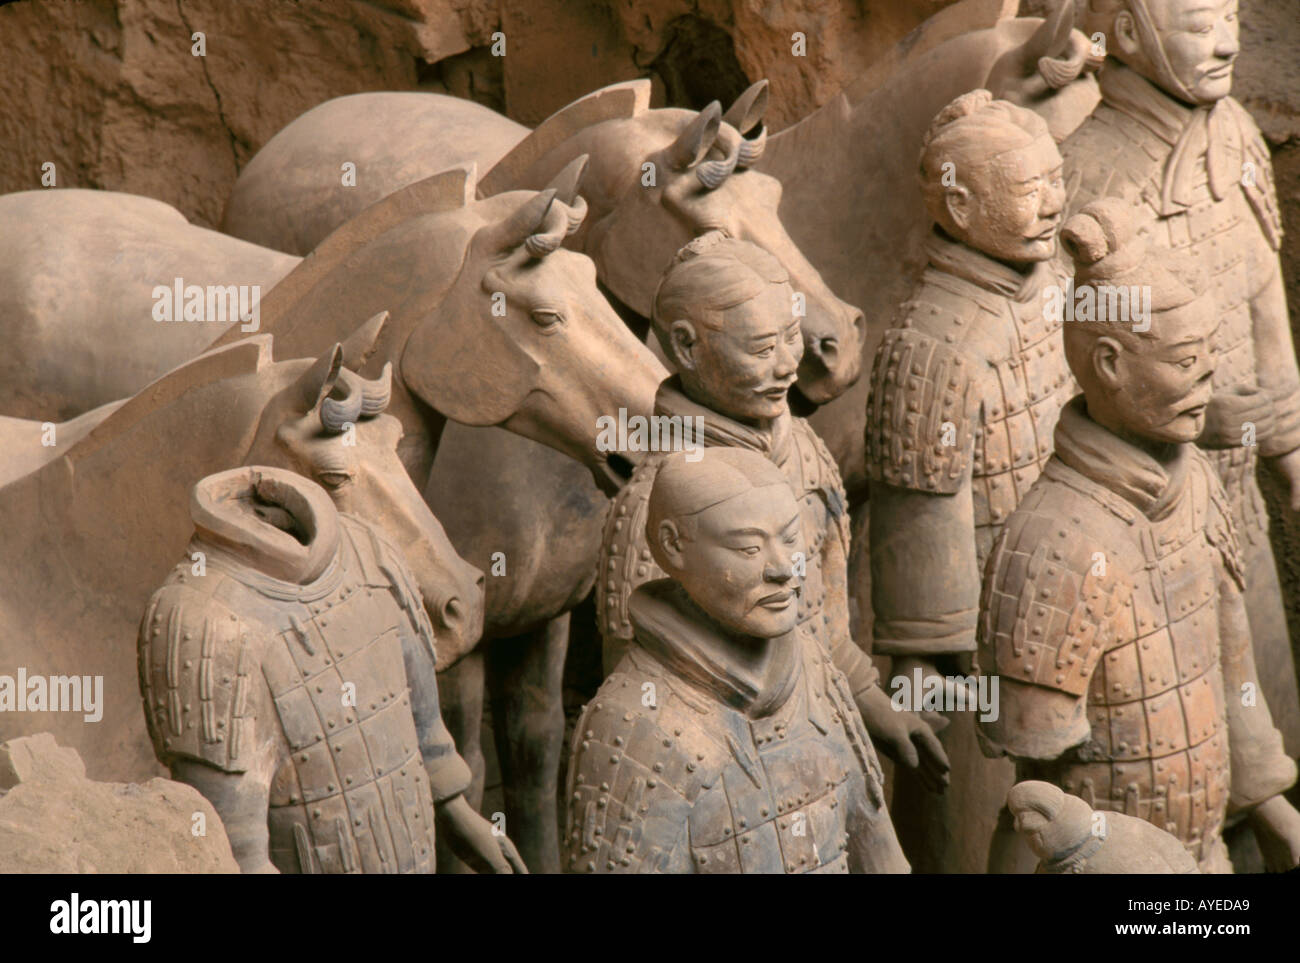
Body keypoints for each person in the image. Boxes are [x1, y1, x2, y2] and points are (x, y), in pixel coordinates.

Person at [978, 198, 1300, 873]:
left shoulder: (1200, 484)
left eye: (1210, 356)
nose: (1208, 378)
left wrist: (1273, 807)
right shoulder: (1050, 543)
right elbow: (1028, 802)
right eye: (1186, 360)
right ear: (1110, 363)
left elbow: (1233, 673)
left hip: (1205, 860)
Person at [595, 231, 948, 794]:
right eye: (762, 349)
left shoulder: (806, 449)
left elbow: (825, 629)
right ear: (687, 348)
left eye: (791, 338)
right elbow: (639, 702)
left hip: (824, 740)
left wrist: (872, 705)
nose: (790, 366)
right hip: (726, 780)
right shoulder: (653, 502)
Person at [1063, 0, 1300, 753]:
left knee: (1272, 726)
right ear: (1129, 33)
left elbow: (1264, 297)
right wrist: (1194, 422)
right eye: (1201, 24)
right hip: (1142, 509)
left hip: (1241, 496)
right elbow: (1069, 368)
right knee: (1175, 739)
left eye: (1230, 15)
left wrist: (1289, 447)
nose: (1228, 41)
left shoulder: (1233, 133)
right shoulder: (1083, 172)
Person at [863, 89, 1076, 872]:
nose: (1053, 203)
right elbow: (921, 542)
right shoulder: (931, 347)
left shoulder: (1056, 285)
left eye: (1059, 180)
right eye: (1029, 190)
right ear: (958, 201)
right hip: (980, 655)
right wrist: (931, 681)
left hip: (1071, 610)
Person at [568, 448, 908, 873]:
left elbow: (881, 856)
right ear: (673, 546)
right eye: (749, 549)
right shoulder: (627, 722)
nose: (785, 569)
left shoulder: (814, 667)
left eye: (789, 538)